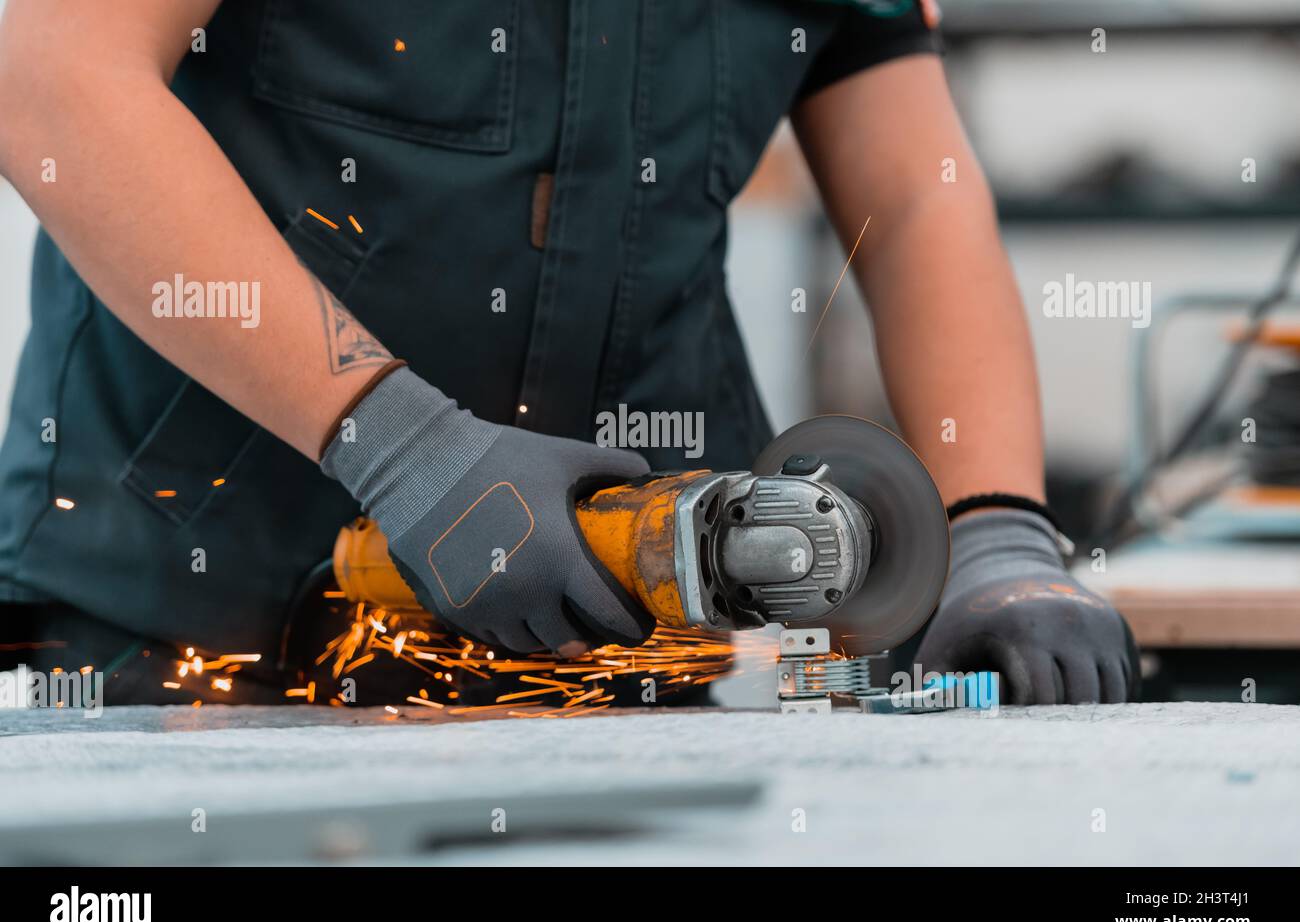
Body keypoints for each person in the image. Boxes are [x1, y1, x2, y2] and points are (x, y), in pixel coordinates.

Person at [0, 0, 1137, 704]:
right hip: (193, 641)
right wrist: (401, 443)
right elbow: (51, 82)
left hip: (628, 643)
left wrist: (995, 525)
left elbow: (914, 196)